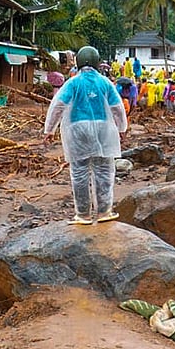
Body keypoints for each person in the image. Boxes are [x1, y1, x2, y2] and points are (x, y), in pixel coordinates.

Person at [43, 46, 128, 225]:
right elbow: (117, 107)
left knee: (79, 172)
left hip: (77, 130)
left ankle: (83, 214)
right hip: (103, 129)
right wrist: (122, 128)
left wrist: (49, 130)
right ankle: (104, 211)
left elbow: (58, 105)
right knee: (104, 171)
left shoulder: (73, 83)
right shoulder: (105, 82)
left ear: (79, 61)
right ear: (97, 62)